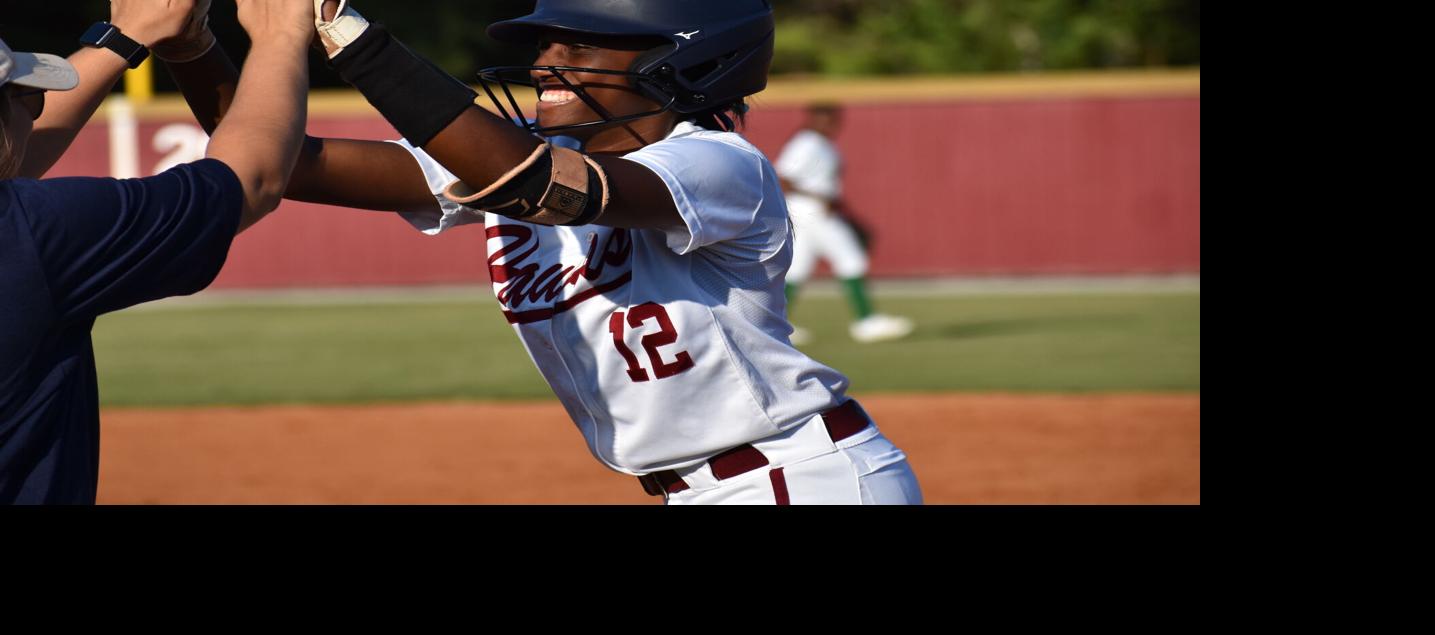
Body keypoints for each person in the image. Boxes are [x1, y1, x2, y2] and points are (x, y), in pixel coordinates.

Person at [166, 0, 923, 505]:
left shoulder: (718, 164)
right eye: (547, 43)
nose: (544, 62)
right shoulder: (528, 146)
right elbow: (286, 163)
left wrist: (347, 33)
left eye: (579, 43)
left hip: (797, 478)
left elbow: (537, 187)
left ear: (680, 62)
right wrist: (193, 43)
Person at [1, 0, 315, 505]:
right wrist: (280, 34)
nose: (34, 112)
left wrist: (129, 34)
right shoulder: (35, 231)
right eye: (27, 98)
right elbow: (251, 180)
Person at [775, 102, 913, 346]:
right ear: (813, 118)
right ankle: (867, 321)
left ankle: (775, 324)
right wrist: (816, 197)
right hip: (812, 211)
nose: (830, 123)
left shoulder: (819, 143)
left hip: (812, 210)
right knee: (851, 258)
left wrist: (852, 218)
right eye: (824, 118)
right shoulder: (806, 143)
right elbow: (783, 178)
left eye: (833, 118)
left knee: (797, 268)